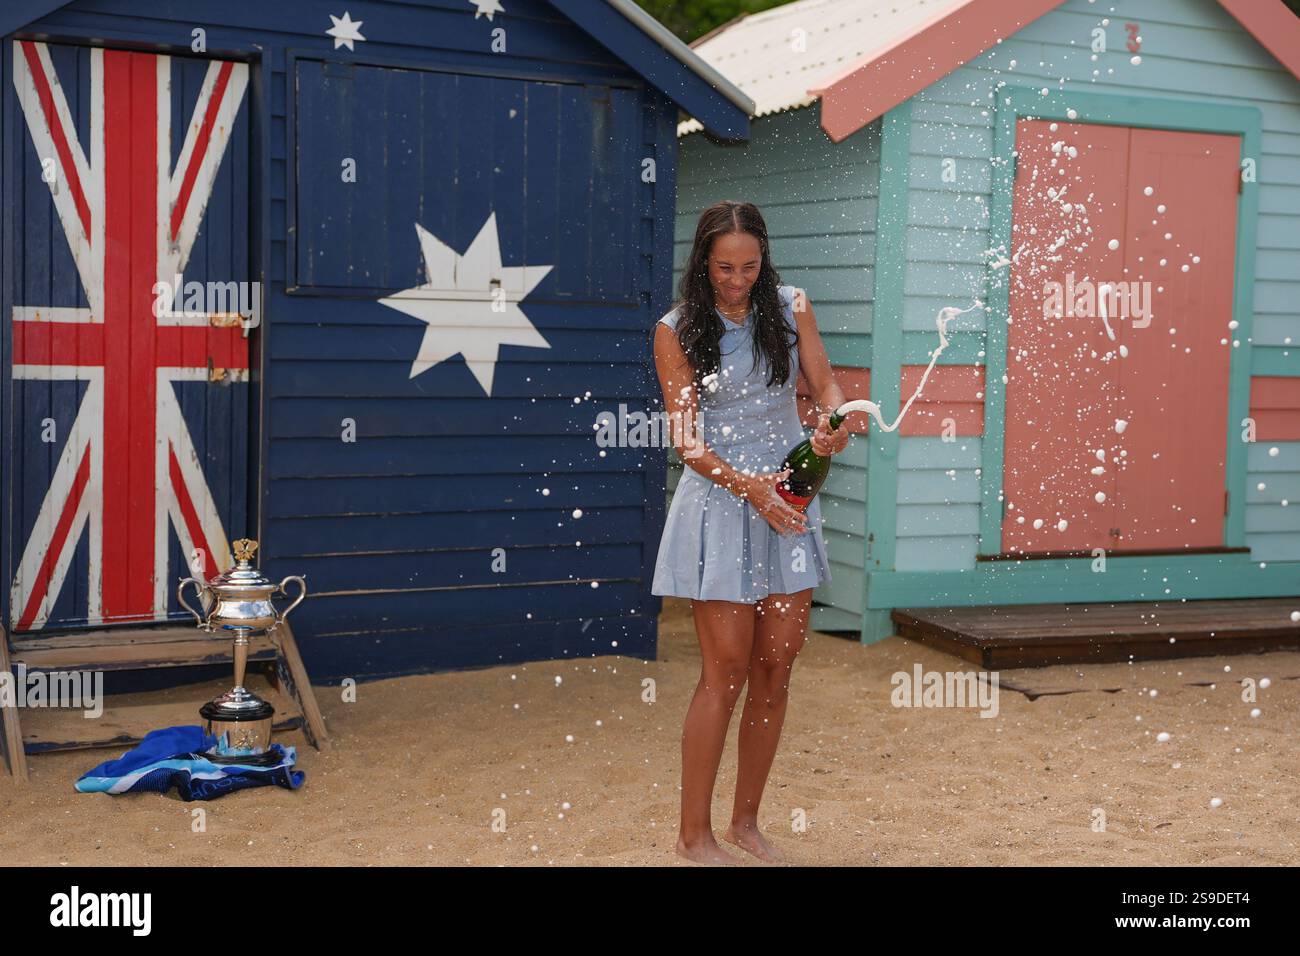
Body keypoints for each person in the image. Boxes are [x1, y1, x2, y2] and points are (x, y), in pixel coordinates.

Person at [650, 200, 850, 864]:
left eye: (749, 267)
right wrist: (749, 488)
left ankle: (746, 823)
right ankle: (692, 835)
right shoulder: (676, 330)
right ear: (703, 264)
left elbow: (824, 386)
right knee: (726, 670)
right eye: (724, 269)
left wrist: (831, 422)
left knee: (776, 666)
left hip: (788, 501)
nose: (737, 281)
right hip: (722, 502)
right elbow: (687, 443)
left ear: (765, 260)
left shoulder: (792, 307)